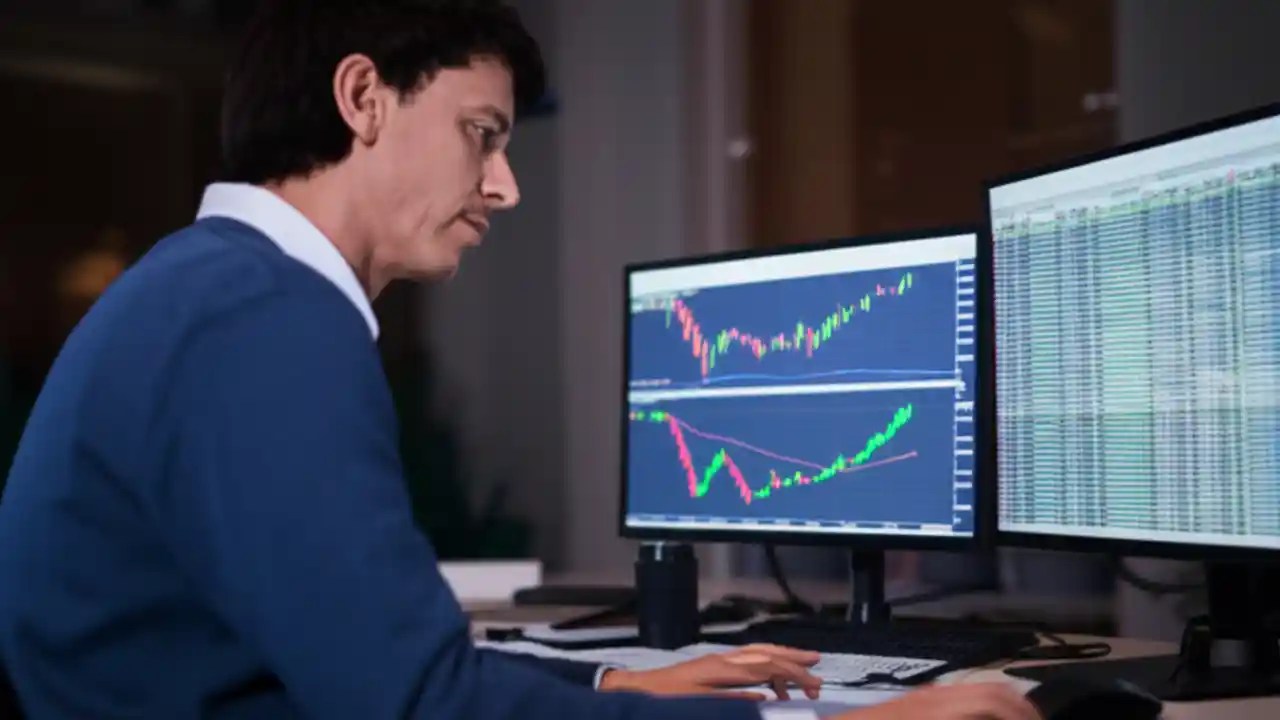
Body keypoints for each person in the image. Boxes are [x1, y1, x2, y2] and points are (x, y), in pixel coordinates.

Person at [0, 1, 1041, 718]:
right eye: (481, 133)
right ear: (363, 99)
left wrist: (611, 687)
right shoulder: (266, 321)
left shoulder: (204, 288)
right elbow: (422, 705)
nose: (504, 187)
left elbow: (368, 664)